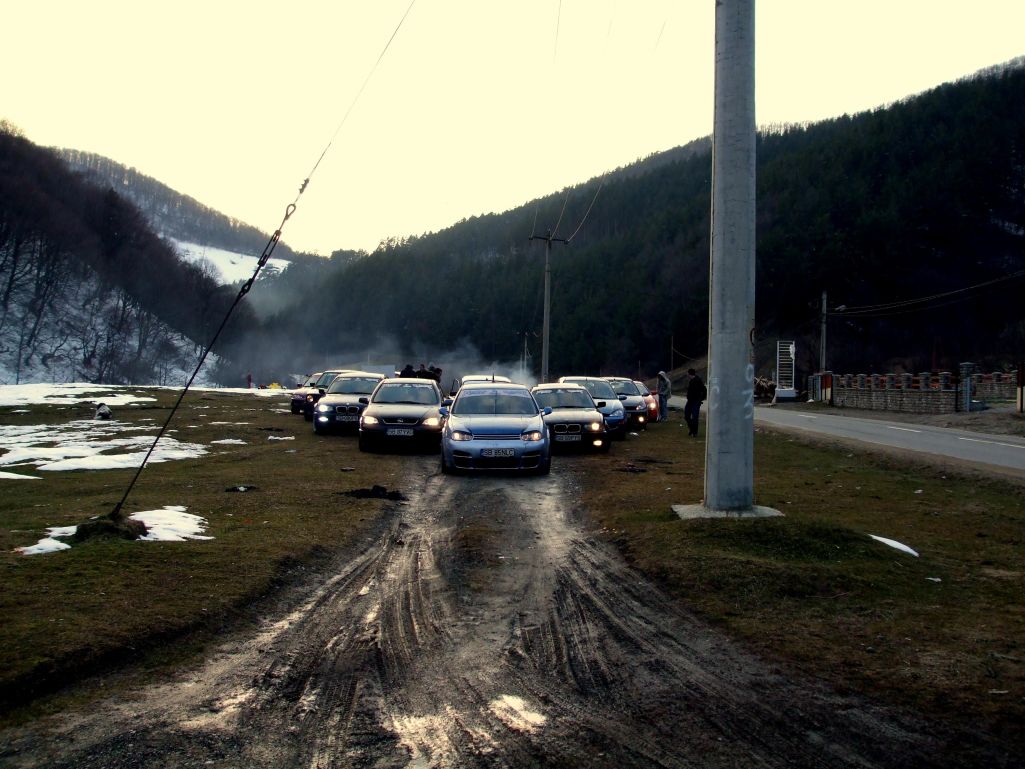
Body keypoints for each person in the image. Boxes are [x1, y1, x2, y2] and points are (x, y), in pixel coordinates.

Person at [684, 368, 706, 437]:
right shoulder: (691, 380)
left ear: (689, 373)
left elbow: (704, 389)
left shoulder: (698, 380)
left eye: (687, 373)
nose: (687, 374)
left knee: (695, 417)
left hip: (696, 401)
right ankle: (691, 429)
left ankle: (694, 432)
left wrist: (701, 398)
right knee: (687, 415)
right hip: (690, 401)